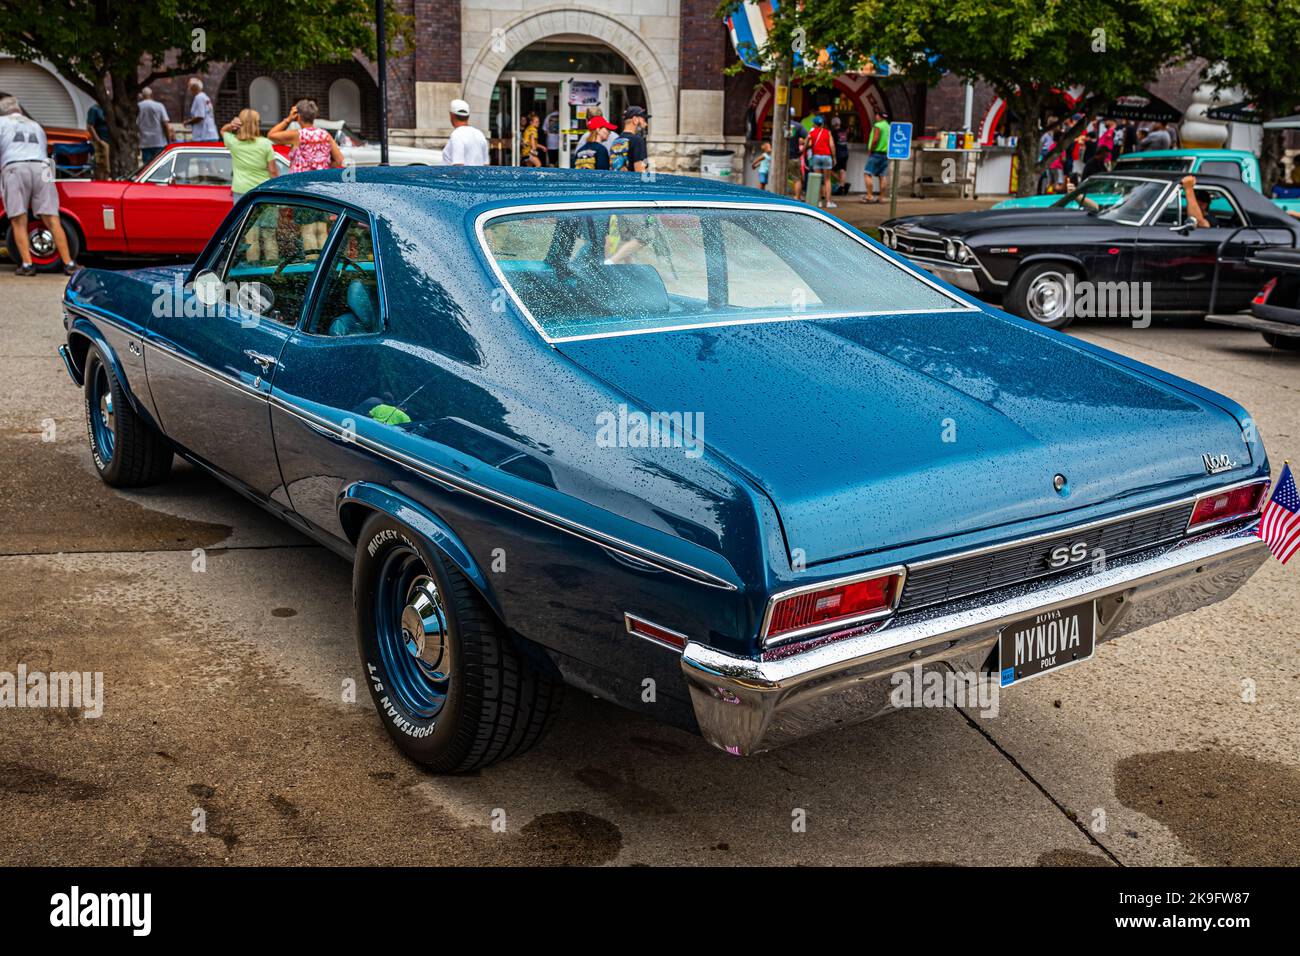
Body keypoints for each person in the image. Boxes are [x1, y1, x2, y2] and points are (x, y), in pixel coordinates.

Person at [0, 96, 78, 275]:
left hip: (15, 167)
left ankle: (27, 265)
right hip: (42, 167)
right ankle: (69, 263)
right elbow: (45, 150)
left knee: (18, 219)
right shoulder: (35, 125)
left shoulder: (1, 122)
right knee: (51, 217)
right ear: (18, 109)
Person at [268, 99, 343, 256]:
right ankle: (323, 263)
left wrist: (288, 119)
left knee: (308, 229)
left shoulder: (298, 135)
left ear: (298, 116)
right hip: (322, 188)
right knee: (321, 228)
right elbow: (339, 160)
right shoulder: (325, 135)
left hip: (303, 189)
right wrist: (323, 166)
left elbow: (272, 135)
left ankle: (312, 263)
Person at [220, 108, 278, 200]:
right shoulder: (265, 143)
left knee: (242, 215)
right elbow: (273, 171)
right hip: (261, 189)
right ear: (257, 124)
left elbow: (223, 131)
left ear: (240, 124)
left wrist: (231, 125)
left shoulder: (233, 142)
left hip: (240, 189)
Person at [442, 99, 489, 166]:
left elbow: (458, 165)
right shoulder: (480, 134)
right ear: (468, 116)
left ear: (452, 115)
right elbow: (486, 165)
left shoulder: (457, 135)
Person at [806, 114, 836, 208]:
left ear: (814, 124)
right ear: (822, 124)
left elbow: (808, 143)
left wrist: (805, 149)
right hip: (827, 157)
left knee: (818, 179)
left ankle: (818, 201)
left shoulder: (812, 132)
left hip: (816, 156)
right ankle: (828, 202)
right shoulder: (828, 132)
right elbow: (832, 146)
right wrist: (834, 157)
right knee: (827, 180)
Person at [137, 87, 172, 164]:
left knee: (147, 166)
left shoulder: (138, 106)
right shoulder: (159, 106)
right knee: (159, 165)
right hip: (159, 141)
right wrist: (169, 140)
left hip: (145, 142)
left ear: (142, 96)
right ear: (151, 94)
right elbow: (165, 124)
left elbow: (136, 125)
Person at [611, 105, 649, 173]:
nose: (645, 124)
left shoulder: (615, 141)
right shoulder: (638, 140)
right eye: (643, 119)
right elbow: (640, 171)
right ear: (635, 120)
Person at [863, 111, 890, 203]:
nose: (875, 117)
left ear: (879, 116)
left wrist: (871, 149)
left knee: (867, 173)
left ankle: (869, 196)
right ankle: (881, 197)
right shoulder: (888, 126)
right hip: (885, 154)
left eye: (876, 115)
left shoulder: (878, 125)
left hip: (876, 153)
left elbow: (875, 139)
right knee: (882, 175)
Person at [185, 77, 218, 142]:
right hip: (210, 134)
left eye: (189, 86)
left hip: (204, 136)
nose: (189, 89)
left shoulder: (199, 98)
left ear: (193, 88)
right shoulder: (204, 96)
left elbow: (200, 116)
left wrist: (188, 122)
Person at [86, 101, 112, 179]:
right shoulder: (94, 109)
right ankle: (100, 182)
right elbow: (90, 126)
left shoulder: (108, 109)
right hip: (100, 141)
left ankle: (106, 181)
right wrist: (98, 140)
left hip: (109, 140)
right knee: (101, 164)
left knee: (107, 166)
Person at [831, 115, 850, 195]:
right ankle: (842, 187)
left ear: (833, 124)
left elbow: (832, 144)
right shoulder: (844, 131)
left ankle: (841, 184)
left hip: (838, 153)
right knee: (842, 170)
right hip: (845, 153)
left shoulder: (833, 132)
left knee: (829, 170)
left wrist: (833, 156)